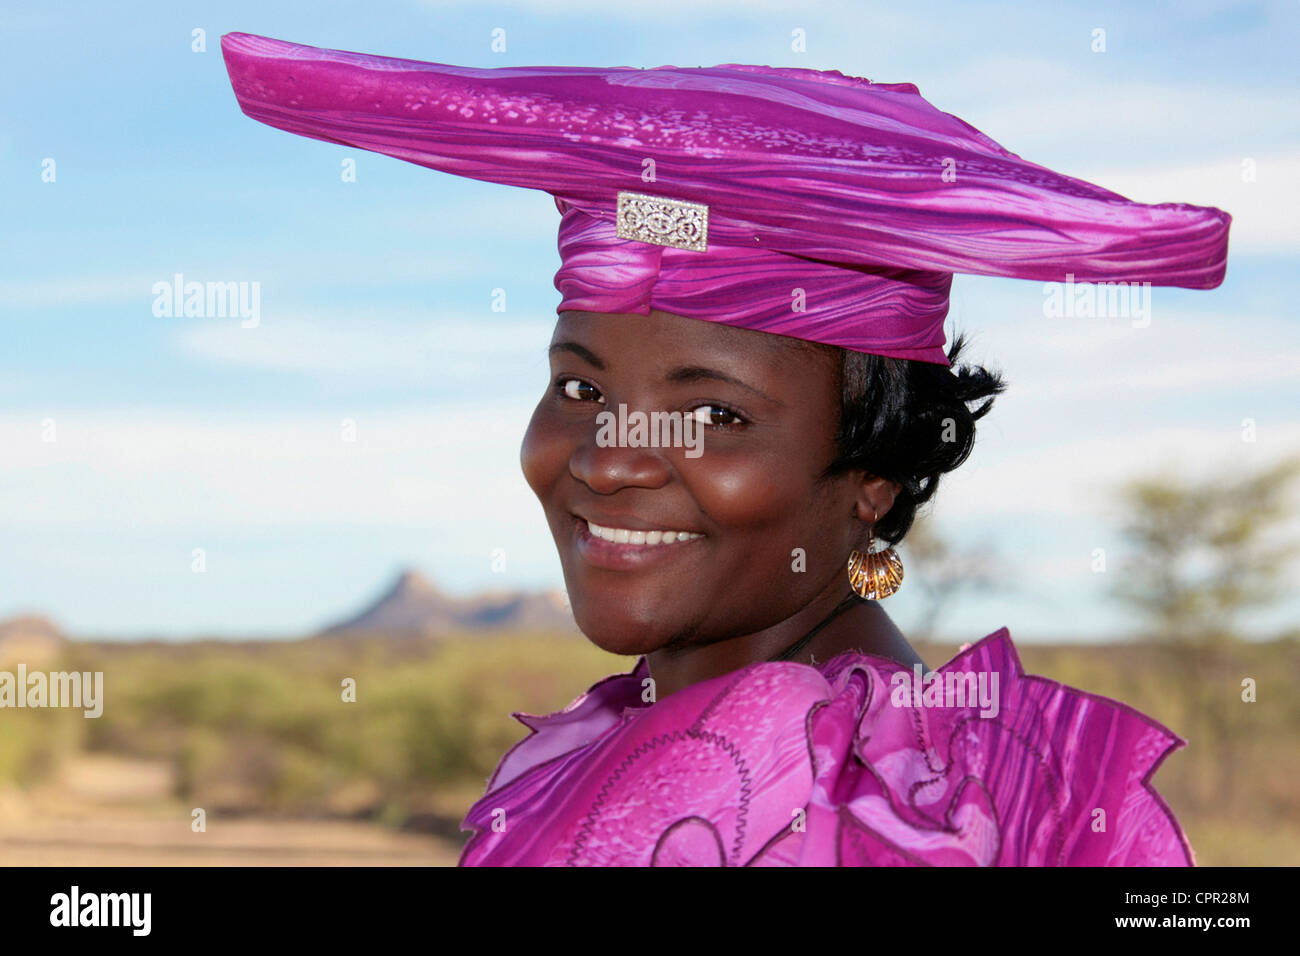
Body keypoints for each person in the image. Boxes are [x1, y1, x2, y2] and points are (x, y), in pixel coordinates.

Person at [219, 32, 1230, 866]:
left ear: (873, 469)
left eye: (713, 414)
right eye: (580, 386)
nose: (609, 458)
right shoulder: (970, 764)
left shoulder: (755, 791)